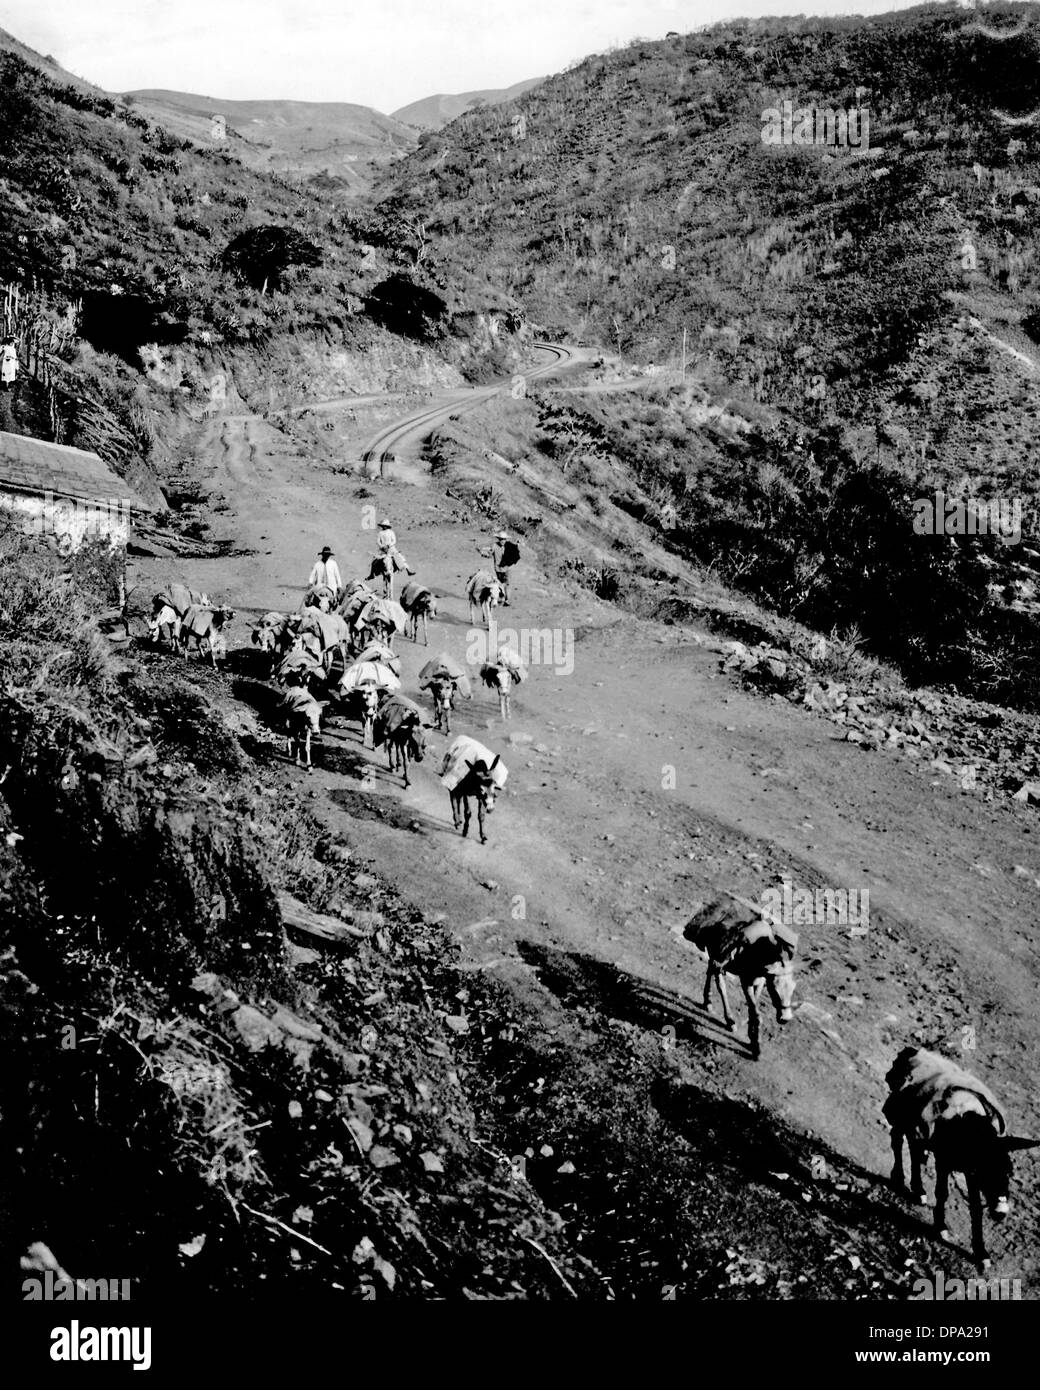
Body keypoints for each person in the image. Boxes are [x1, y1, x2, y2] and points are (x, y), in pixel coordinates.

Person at [478, 530, 520, 606]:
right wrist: (483, 553)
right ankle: (501, 598)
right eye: (501, 539)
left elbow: (514, 556)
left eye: (504, 539)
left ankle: (508, 600)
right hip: (498, 569)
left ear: (506, 539)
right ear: (498, 539)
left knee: (508, 583)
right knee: (500, 584)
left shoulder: (509, 546)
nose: (502, 541)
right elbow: (490, 555)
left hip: (507, 568)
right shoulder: (494, 546)